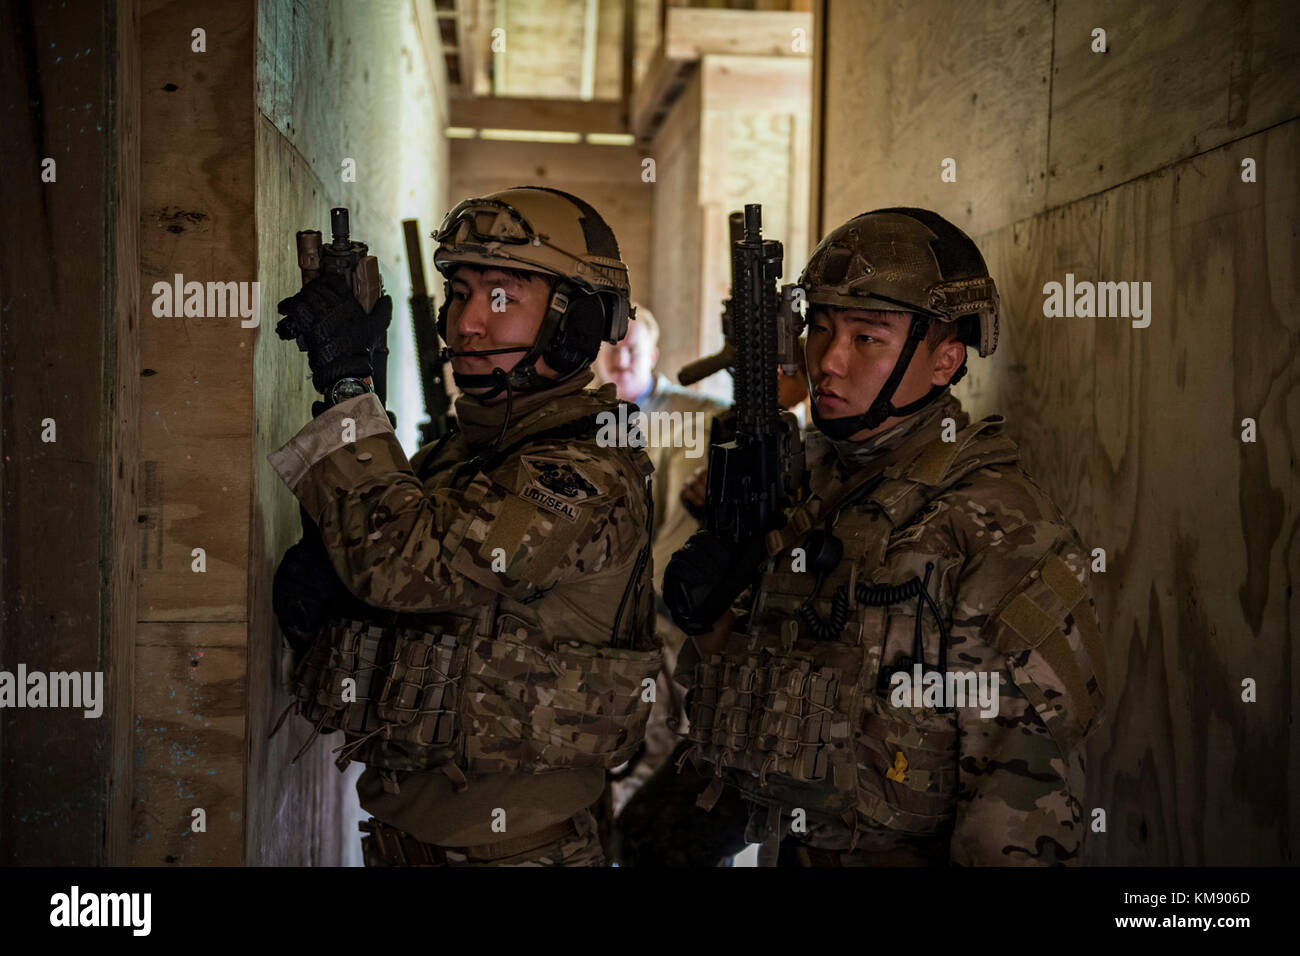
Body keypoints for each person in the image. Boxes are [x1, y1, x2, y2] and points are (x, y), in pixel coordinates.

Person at [665, 207, 1107, 866]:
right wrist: (710, 615)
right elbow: (739, 686)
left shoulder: (998, 526)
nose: (829, 363)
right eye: (820, 328)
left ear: (944, 360)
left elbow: (1015, 806)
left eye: (867, 338)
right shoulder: (804, 479)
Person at [269, 187, 662, 867]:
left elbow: (400, 566)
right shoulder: (462, 454)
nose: (467, 324)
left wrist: (347, 389)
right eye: (460, 293)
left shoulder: (581, 474)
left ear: (577, 321)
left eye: (503, 297)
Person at [594, 307, 726, 817]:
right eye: (612, 347)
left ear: (654, 353)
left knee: (677, 747)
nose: (622, 357)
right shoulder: (581, 425)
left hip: (676, 618)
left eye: (633, 347)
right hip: (601, 625)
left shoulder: (705, 418)